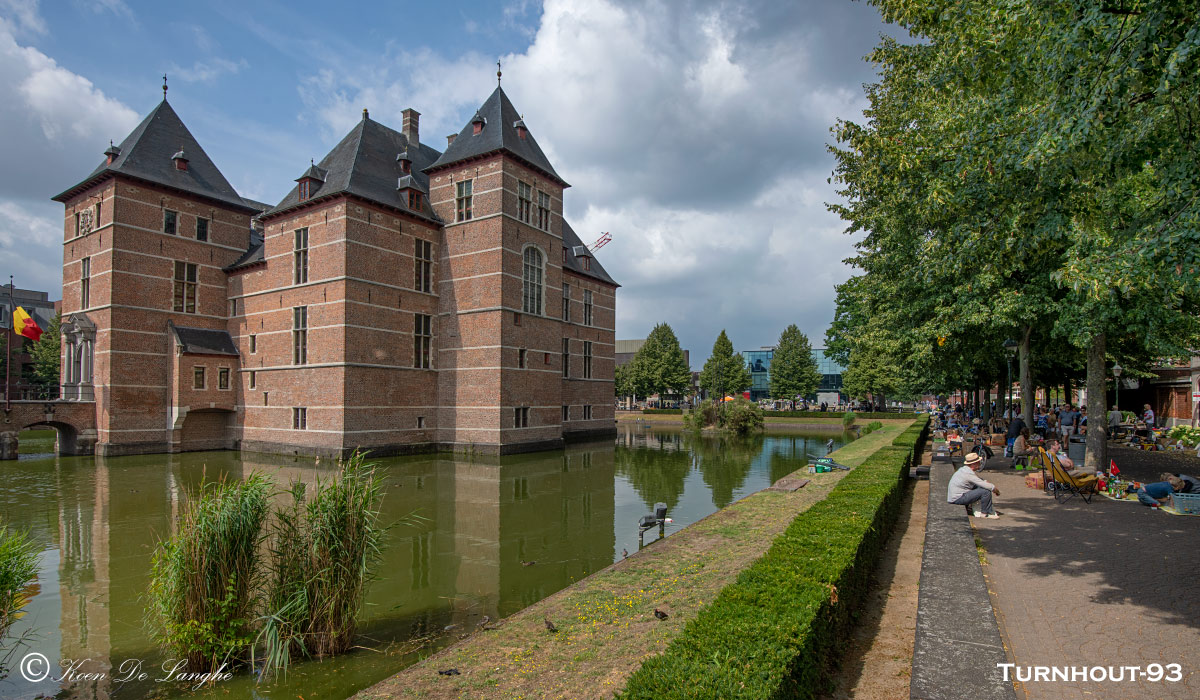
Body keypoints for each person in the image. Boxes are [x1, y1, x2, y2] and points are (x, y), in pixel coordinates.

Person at [947, 452, 1000, 518]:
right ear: (974, 464)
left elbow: (978, 480)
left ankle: (978, 508)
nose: (980, 464)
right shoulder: (968, 474)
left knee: (978, 487)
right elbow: (984, 484)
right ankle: (985, 513)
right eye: (978, 462)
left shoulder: (964, 470)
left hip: (954, 497)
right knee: (985, 492)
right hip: (958, 498)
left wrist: (985, 482)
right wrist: (995, 489)